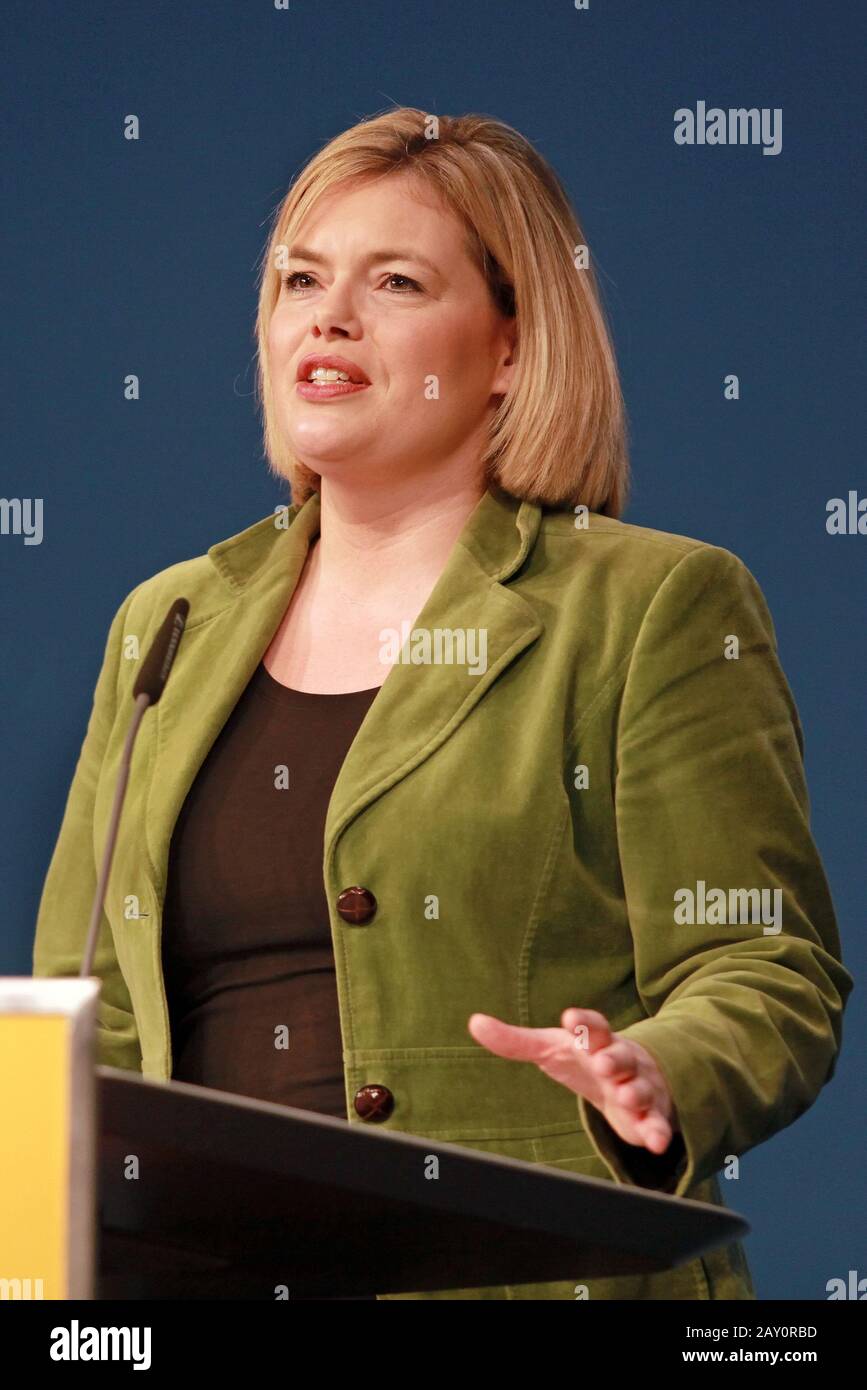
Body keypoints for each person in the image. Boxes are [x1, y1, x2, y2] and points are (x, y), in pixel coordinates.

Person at [33, 106, 853, 1301]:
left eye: (397, 281)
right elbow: (81, 1020)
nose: (329, 316)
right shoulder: (167, 623)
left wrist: (657, 1070)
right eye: (300, 279)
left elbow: (767, 967)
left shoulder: (650, 604)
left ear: (512, 348)